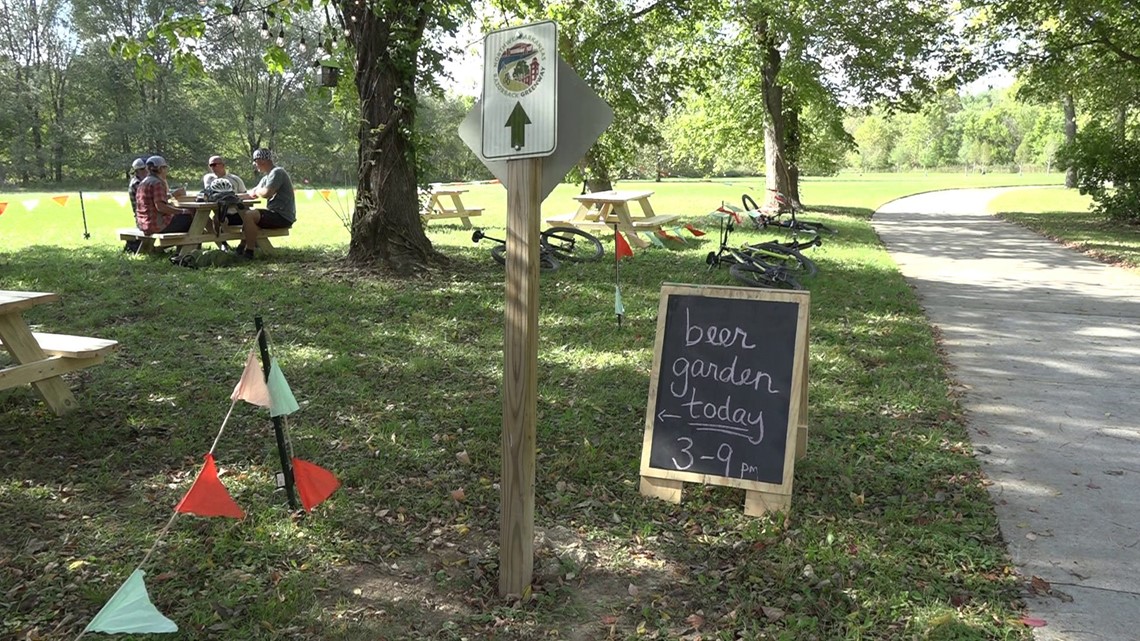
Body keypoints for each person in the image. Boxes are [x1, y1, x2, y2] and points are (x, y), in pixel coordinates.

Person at [239, 148, 295, 259]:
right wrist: (230, 196)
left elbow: (267, 193)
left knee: (249, 215)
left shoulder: (277, 172)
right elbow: (251, 193)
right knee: (247, 214)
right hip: (274, 214)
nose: (254, 164)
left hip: (282, 216)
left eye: (255, 161)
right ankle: (242, 247)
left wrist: (257, 191)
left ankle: (249, 251)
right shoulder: (266, 177)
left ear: (262, 160)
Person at [135, 155, 194, 235]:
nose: (166, 170)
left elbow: (154, 200)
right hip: (157, 225)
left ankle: (183, 246)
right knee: (192, 219)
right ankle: (191, 246)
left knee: (185, 218)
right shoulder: (157, 183)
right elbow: (160, 207)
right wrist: (182, 211)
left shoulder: (143, 183)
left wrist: (172, 195)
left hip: (144, 224)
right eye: (165, 167)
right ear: (160, 169)